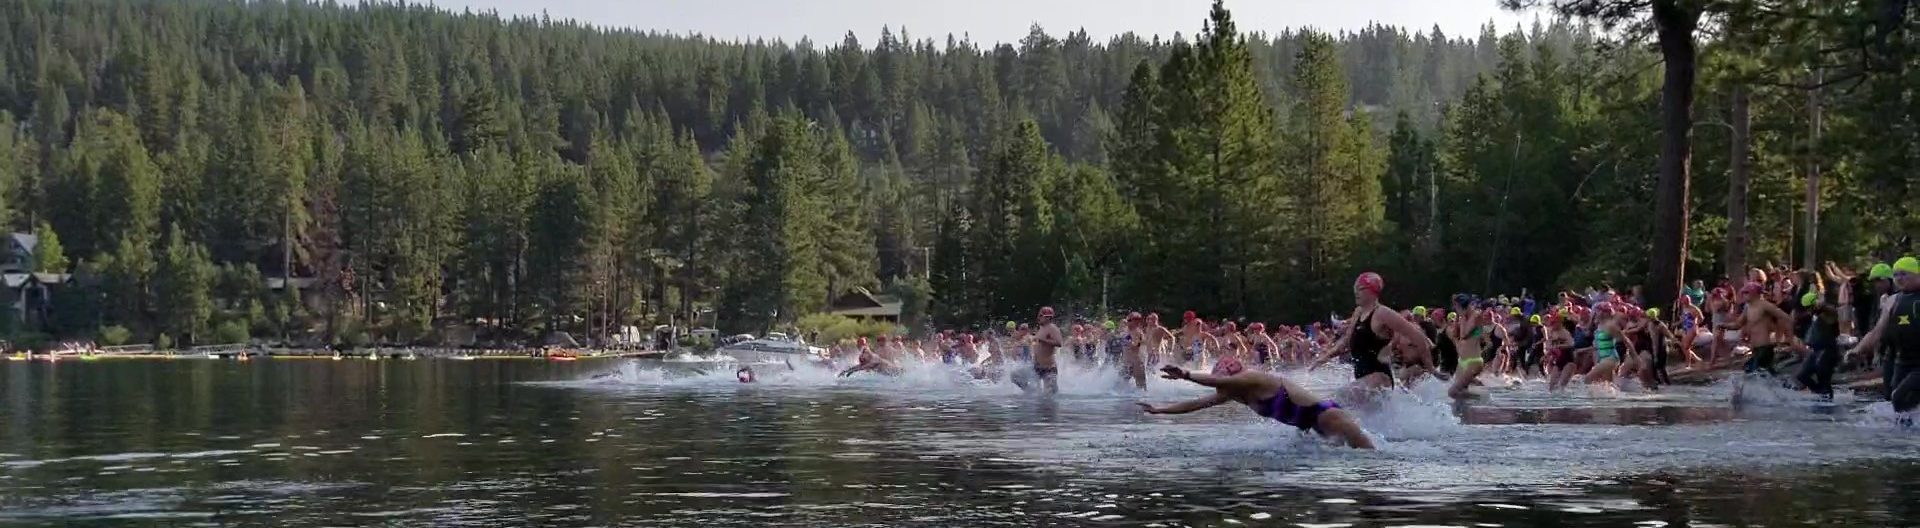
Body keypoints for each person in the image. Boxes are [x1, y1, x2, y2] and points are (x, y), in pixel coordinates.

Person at [1138, 357, 1376, 449]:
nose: (1219, 386)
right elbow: (1195, 404)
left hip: (1330, 417)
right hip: (1314, 428)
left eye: (1222, 380)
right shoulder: (1235, 393)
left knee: (1371, 460)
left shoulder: (1252, 378)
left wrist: (1186, 375)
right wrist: (1160, 411)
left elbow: (1208, 382)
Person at [1312, 272, 1432, 395]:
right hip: (1364, 378)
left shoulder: (1383, 313)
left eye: (1361, 289)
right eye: (1355, 289)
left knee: (1339, 399)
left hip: (1379, 378)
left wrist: (1431, 368)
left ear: (1373, 291)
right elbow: (1346, 340)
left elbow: (1419, 338)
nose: (1356, 292)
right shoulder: (1358, 312)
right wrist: (1325, 357)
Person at [1846, 256, 1920, 413]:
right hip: (1903, 361)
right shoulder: (1893, 300)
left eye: (1904, 274)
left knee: (1900, 398)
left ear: (1917, 275)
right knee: (1894, 400)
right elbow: (1877, 331)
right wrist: (1857, 349)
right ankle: (1904, 436)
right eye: (1896, 274)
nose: (1899, 278)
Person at [1724, 282, 1797, 377]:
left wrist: (1788, 339)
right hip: (1755, 348)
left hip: (1765, 347)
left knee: (1754, 375)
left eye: (1746, 292)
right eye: (1743, 293)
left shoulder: (1764, 305)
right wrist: (1723, 326)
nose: (1744, 295)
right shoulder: (1748, 308)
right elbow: (1737, 325)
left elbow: (1785, 318)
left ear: (1754, 293)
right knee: (1754, 374)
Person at [1792, 291, 1842, 398]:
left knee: (1823, 378)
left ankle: (1825, 396)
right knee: (1801, 376)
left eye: (1810, 307)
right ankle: (1818, 392)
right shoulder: (1815, 315)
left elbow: (1833, 312)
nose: (1809, 310)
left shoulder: (1827, 313)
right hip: (1815, 351)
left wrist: (1821, 306)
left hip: (1828, 350)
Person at [1031, 306, 1064, 395]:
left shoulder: (1052, 328)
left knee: (1050, 396)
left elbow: (1059, 342)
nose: (1038, 318)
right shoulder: (1042, 329)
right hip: (1037, 367)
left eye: (1040, 316)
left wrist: (1043, 340)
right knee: (1015, 376)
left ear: (1047, 317)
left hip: (1049, 368)